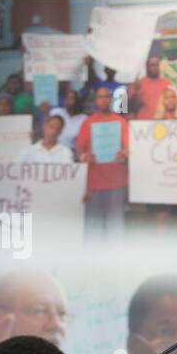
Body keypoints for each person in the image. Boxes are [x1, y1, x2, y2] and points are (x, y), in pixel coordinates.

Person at [74, 85, 129, 242]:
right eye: (100, 97)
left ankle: (115, 262)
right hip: (94, 181)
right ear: (95, 100)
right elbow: (79, 150)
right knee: (93, 227)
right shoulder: (87, 122)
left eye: (106, 96)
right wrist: (85, 157)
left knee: (115, 226)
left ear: (111, 100)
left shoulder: (121, 121)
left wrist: (124, 154)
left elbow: (128, 149)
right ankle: (93, 263)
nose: (103, 100)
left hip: (116, 180)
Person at [130, 55, 171, 120]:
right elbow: (132, 107)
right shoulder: (139, 83)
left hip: (162, 121)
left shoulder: (166, 83)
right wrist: (135, 90)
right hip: (144, 121)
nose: (155, 67)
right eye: (152, 65)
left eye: (157, 65)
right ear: (147, 67)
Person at [50, 87, 86, 151]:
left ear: (77, 101)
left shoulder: (83, 118)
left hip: (72, 151)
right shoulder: (56, 112)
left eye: (71, 98)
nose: (68, 101)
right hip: (54, 148)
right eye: (67, 98)